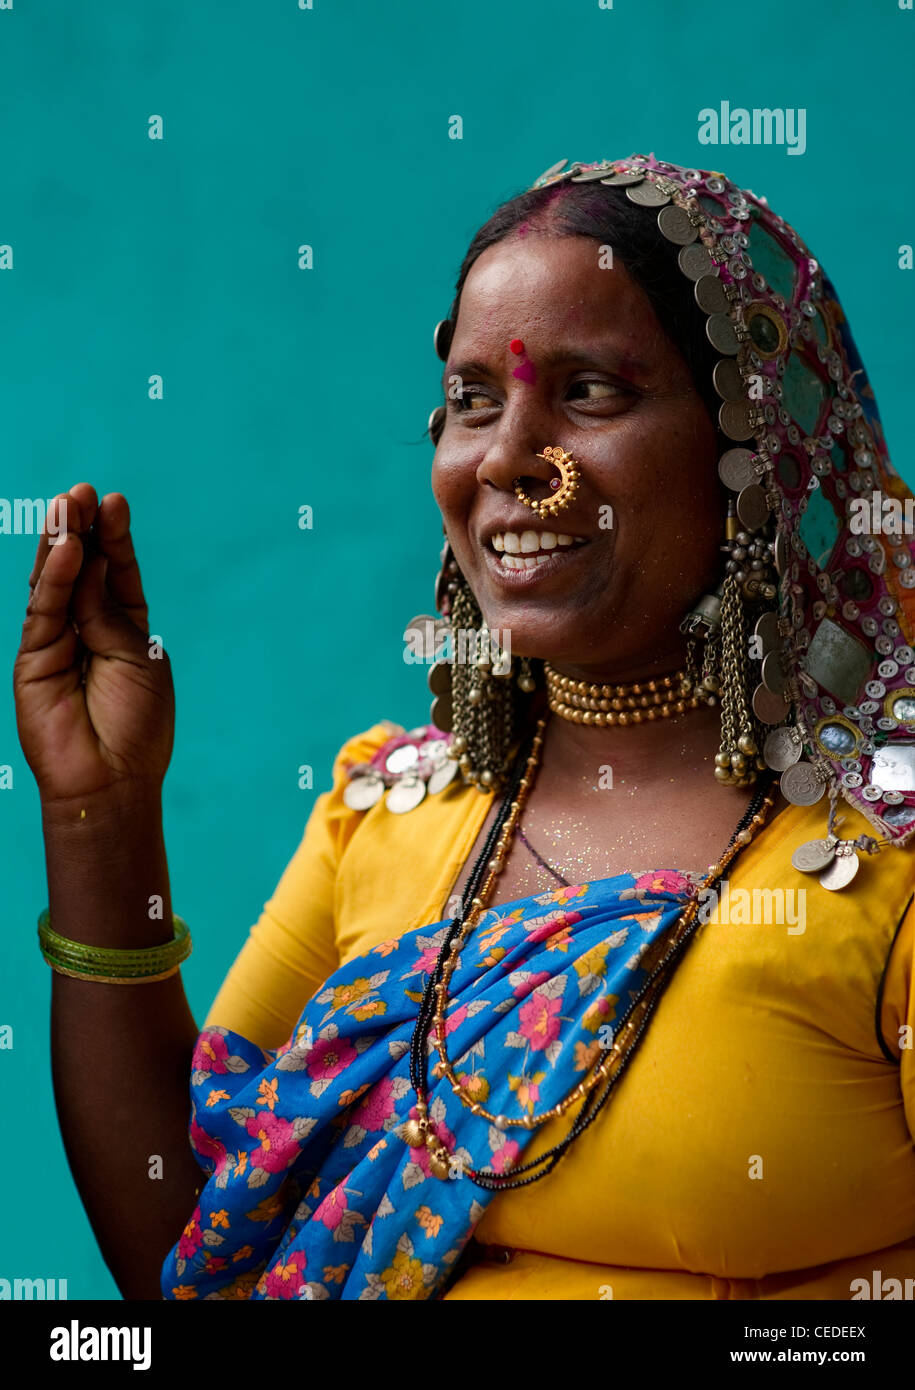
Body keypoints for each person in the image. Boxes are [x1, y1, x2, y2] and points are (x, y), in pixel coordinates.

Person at [15, 152, 915, 1302]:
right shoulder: (386, 813)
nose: (502, 458)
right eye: (474, 400)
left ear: (762, 455)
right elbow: (194, 1250)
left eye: (590, 392)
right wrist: (99, 813)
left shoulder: (886, 856)